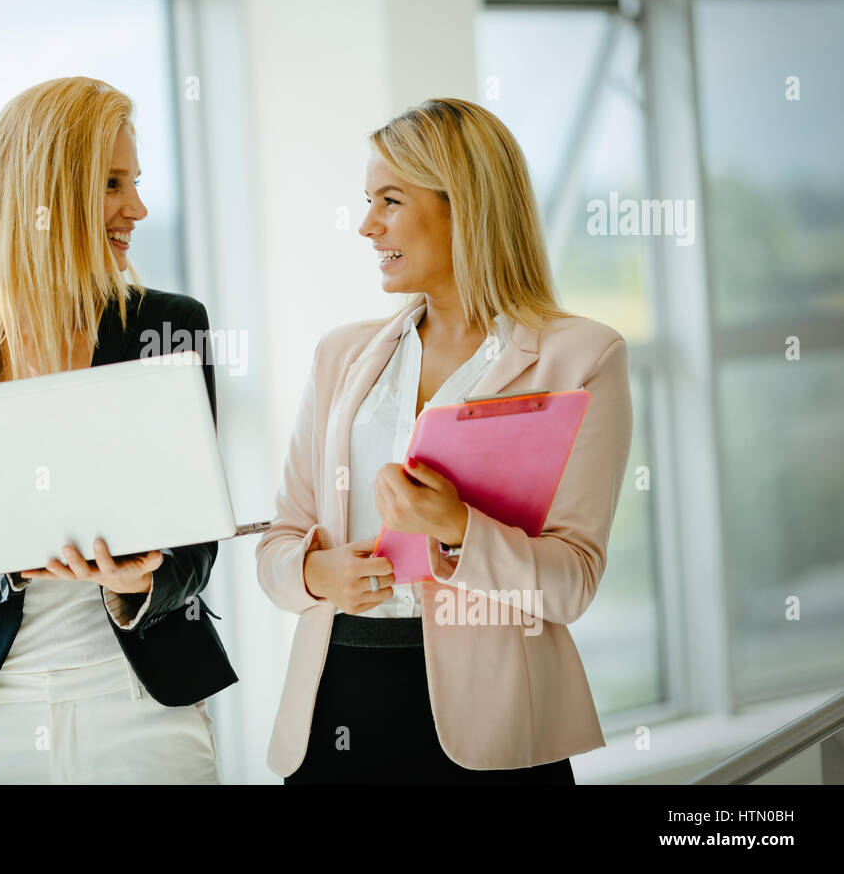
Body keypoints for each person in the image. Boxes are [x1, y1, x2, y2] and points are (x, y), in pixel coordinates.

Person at [256, 97, 632, 784]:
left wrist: (457, 527)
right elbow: (280, 540)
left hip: (493, 730)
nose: (368, 226)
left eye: (390, 201)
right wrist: (316, 574)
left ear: (465, 206)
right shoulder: (339, 356)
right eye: (368, 202)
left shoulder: (582, 359)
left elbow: (572, 583)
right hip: (335, 707)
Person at [0, 76, 236, 784]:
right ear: (43, 197)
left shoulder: (167, 328)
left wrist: (138, 585)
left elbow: (196, 543)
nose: (136, 208)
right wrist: (8, 550)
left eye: (134, 182)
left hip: (142, 702)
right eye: (112, 184)